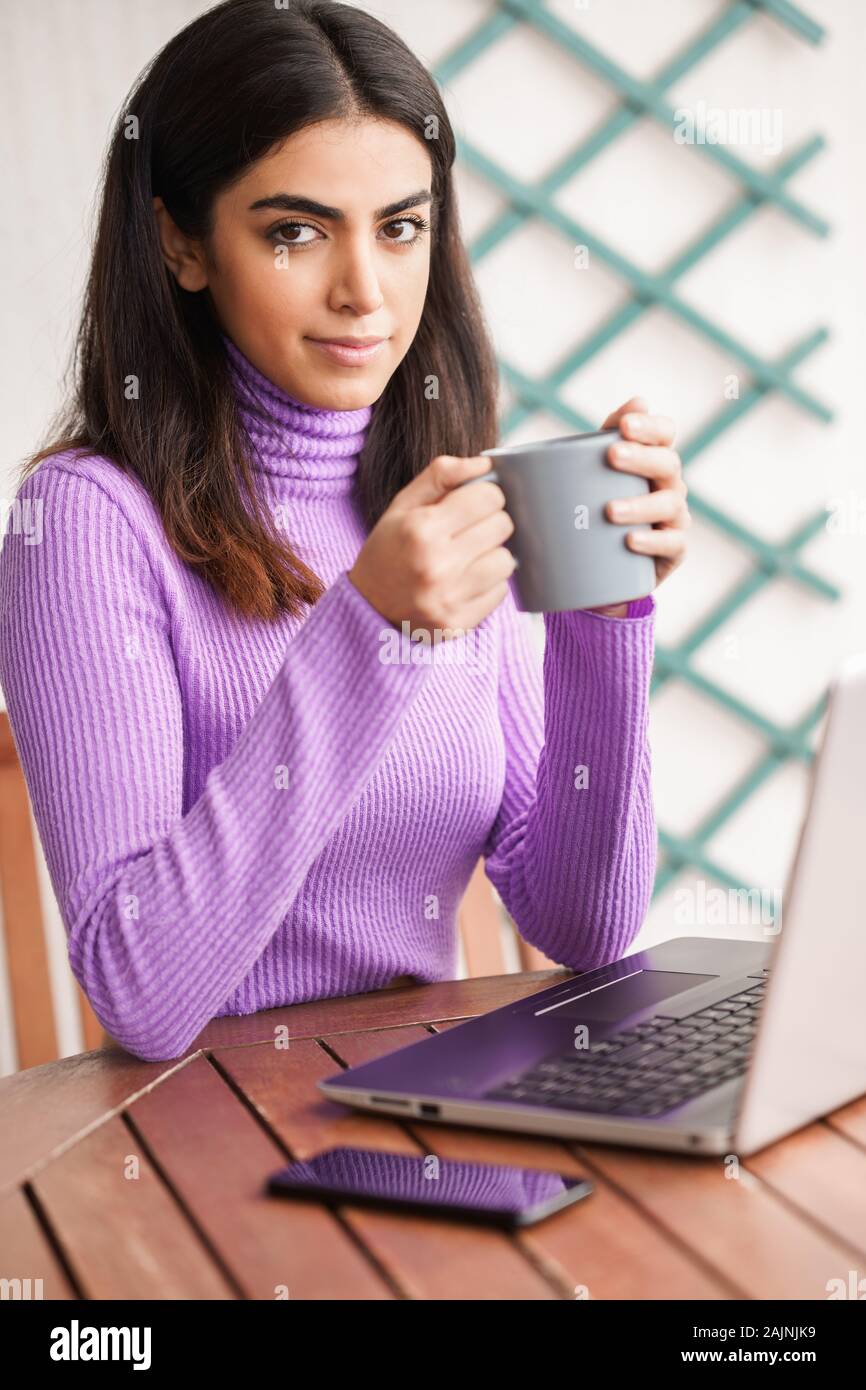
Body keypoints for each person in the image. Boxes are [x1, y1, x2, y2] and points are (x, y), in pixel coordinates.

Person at [0, 0, 689, 1062]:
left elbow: (582, 925)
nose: (364, 291)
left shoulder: (440, 499)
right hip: (205, 1157)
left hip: (433, 1104)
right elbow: (139, 990)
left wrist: (603, 621)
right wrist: (371, 628)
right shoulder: (85, 522)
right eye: (295, 231)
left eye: (399, 227)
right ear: (181, 241)